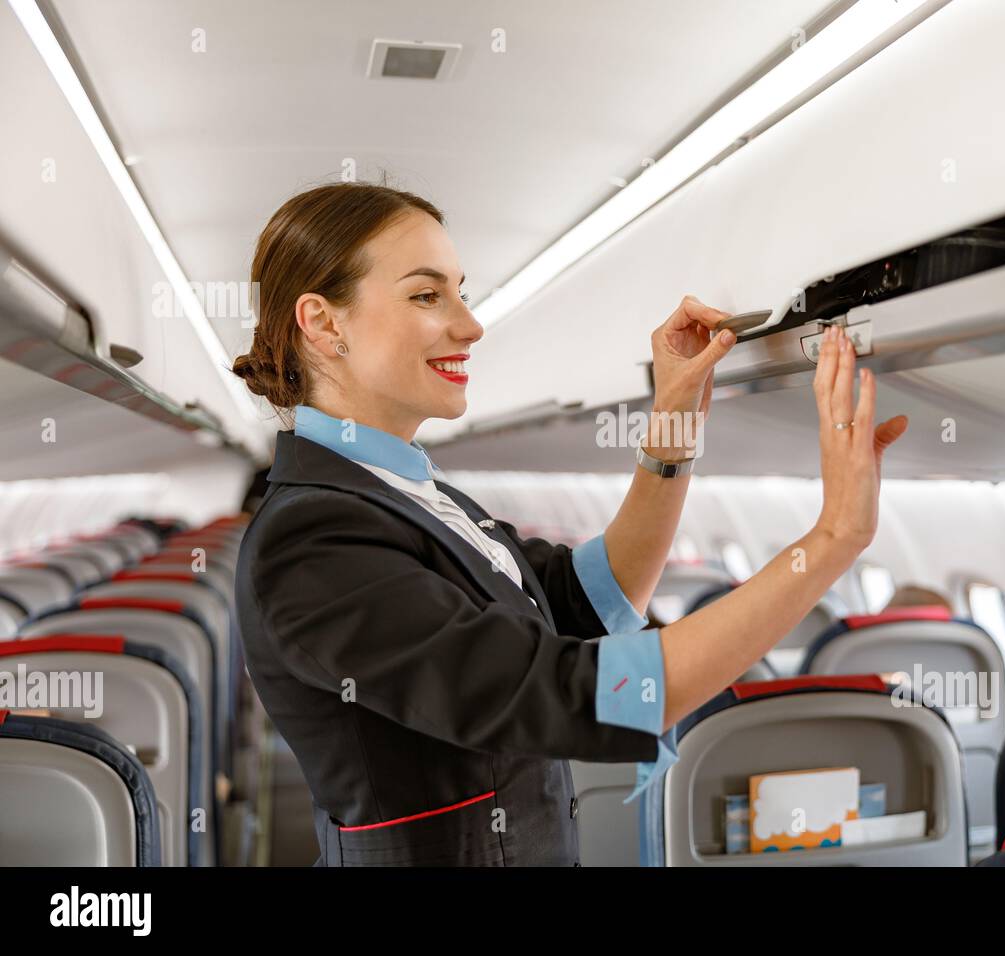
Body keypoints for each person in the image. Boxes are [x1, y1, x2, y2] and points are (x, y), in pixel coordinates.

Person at [230, 181, 907, 866]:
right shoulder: (309, 541)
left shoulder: (420, 494)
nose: (470, 325)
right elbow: (571, 695)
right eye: (427, 295)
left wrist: (672, 417)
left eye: (461, 291)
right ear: (322, 323)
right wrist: (830, 542)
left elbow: (594, 596)